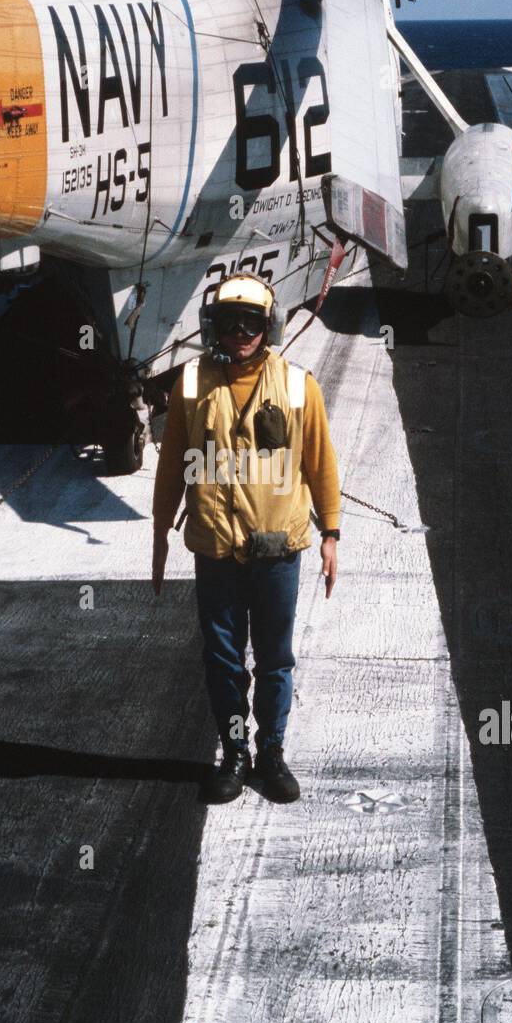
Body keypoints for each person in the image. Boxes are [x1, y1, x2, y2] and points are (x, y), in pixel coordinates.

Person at [152, 273, 341, 804]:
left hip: (278, 549)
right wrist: (160, 534)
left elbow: (321, 464)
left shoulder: (300, 386)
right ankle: (235, 754)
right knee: (223, 658)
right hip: (215, 547)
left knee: (276, 658)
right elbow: (171, 467)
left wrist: (331, 533)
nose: (241, 332)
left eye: (252, 322)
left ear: (269, 326)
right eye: (230, 321)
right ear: (214, 326)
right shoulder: (190, 383)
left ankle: (272, 753)